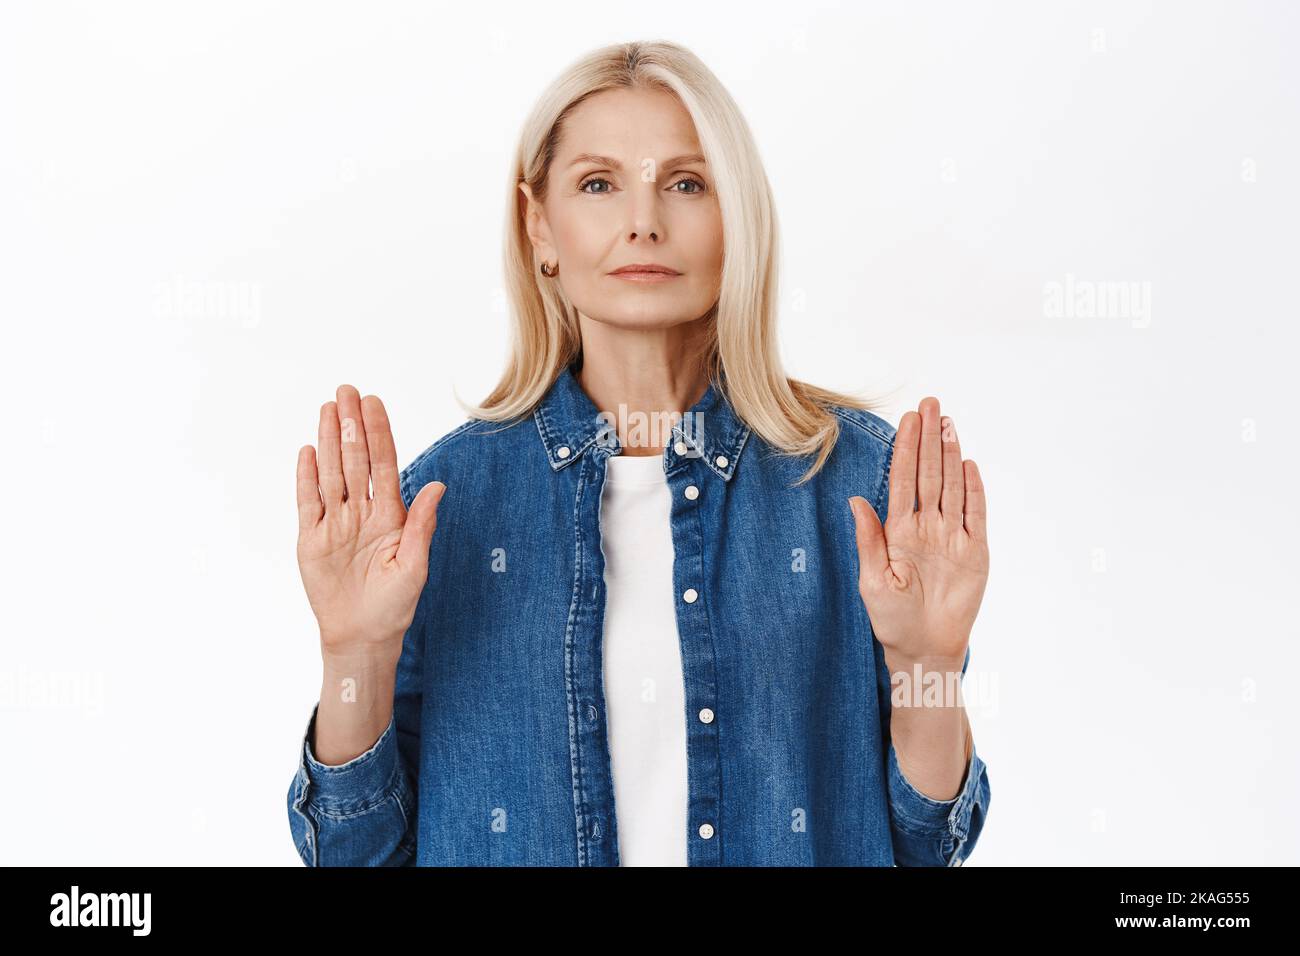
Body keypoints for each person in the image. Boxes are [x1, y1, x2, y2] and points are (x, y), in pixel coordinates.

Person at [287, 39, 991, 866]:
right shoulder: (441, 508)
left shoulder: (859, 489)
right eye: (598, 184)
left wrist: (929, 664)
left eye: (686, 183)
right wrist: (352, 657)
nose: (643, 219)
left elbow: (926, 844)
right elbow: (351, 853)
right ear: (538, 226)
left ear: (740, 219)